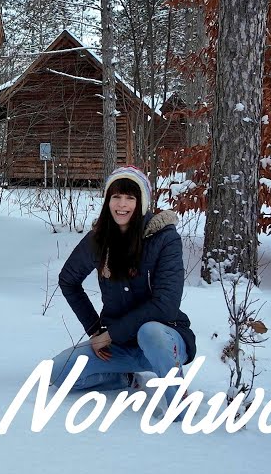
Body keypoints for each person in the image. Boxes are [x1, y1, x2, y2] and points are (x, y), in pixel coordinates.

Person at [50, 166, 196, 405]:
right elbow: (68, 280)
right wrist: (96, 331)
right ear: (108, 200)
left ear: (142, 202)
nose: (122, 204)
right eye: (116, 196)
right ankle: (125, 378)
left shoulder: (164, 238)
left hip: (165, 342)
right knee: (58, 372)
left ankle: (179, 407)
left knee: (150, 332)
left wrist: (110, 335)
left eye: (130, 198)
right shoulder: (99, 240)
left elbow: (166, 306)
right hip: (119, 346)